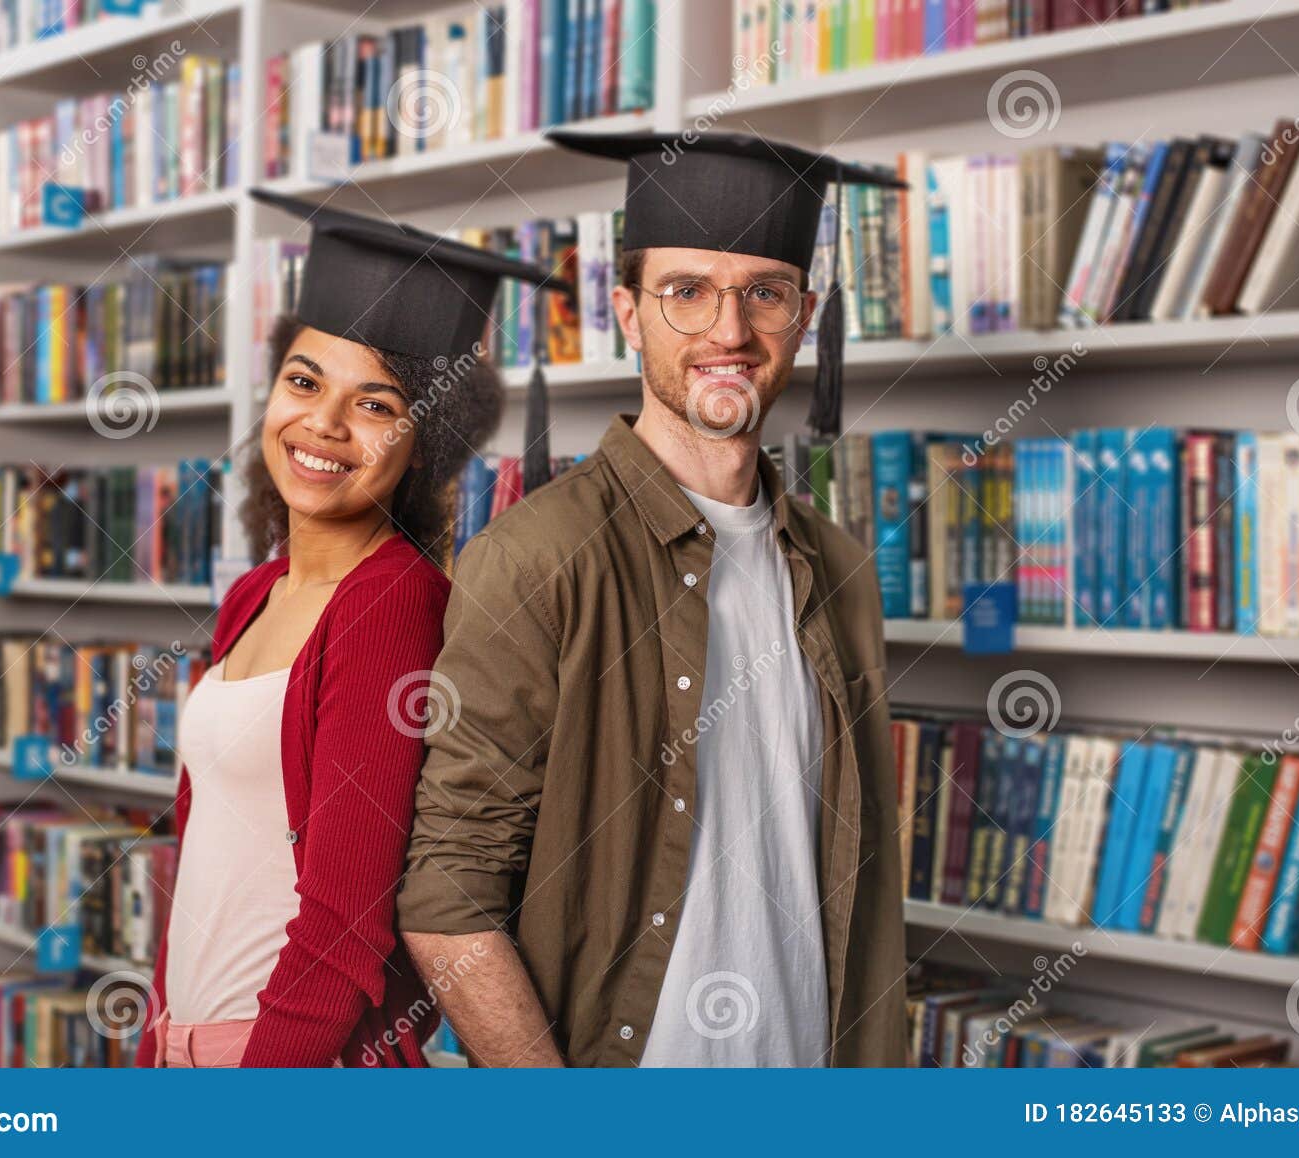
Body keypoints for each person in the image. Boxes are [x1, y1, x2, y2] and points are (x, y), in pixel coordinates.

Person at [397, 130, 909, 1067]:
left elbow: (860, 886)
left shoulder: (838, 569)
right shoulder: (535, 558)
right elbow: (448, 895)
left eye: (766, 291)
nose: (728, 331)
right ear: (627, 313)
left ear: (805, 316)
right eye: (687, 292)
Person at [136, 195, 566, 1067]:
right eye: (304, 382)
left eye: (375, 405)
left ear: (426, 440)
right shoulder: (254, 594)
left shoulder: (392, 605)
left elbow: (344, 920)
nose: (323, 426)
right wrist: (155, 1045)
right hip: (188, 1047)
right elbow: (203, 853)